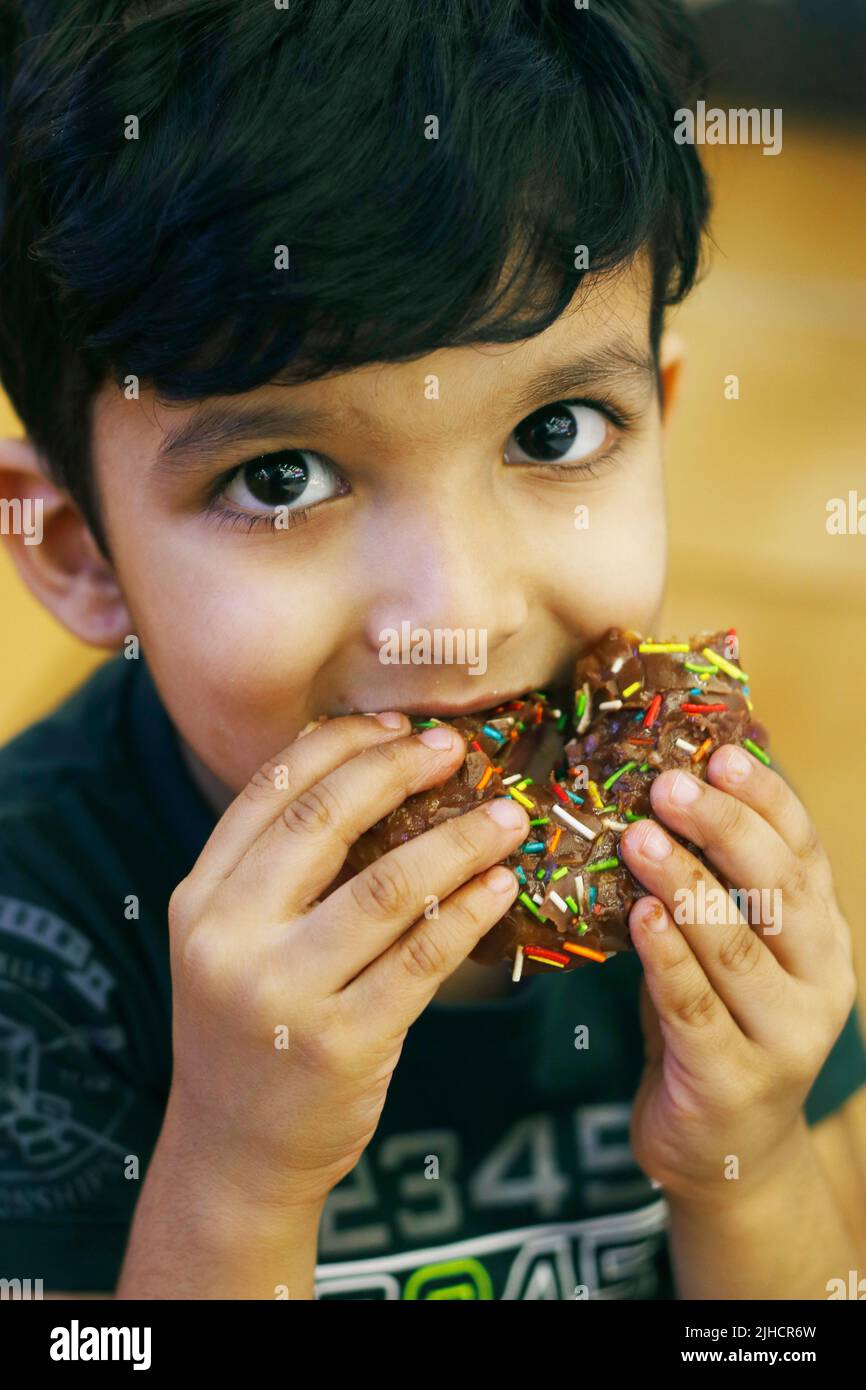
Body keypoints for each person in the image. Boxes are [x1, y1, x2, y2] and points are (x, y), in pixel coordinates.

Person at [0, 0, 864, 1301]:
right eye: (281, 473)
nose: (457, 610)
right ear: (77, 550)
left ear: (660, 421)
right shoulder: (38, 943)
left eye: (557, 431)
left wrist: (740, 1155)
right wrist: (238, 1172)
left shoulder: (687, 811)